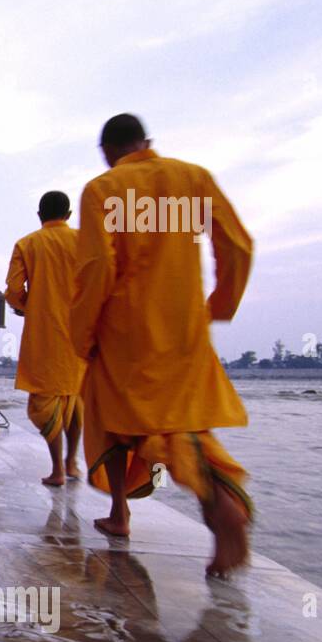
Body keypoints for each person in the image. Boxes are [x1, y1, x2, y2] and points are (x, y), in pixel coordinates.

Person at [70, 114, 253, 577]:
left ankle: (189, 506)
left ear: (107, 151)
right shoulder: (192, 178)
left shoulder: (104, 190)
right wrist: (217, 306)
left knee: (118, 425)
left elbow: (96, 269)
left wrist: (83, 335)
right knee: (181, 424)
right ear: (145, 142)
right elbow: (236, 246)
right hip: (186, 331)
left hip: (125, 333)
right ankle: (209, 496)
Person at [5, 190, 87, 485]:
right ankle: (73, 462)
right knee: (75, 398)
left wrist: (29, 305)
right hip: (82, 334)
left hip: (44, 335)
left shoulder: (27, 244)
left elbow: (14, 291)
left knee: (45, 402)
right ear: (68, 215)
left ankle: (58, 470)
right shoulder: (85, 241)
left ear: (40, 216)